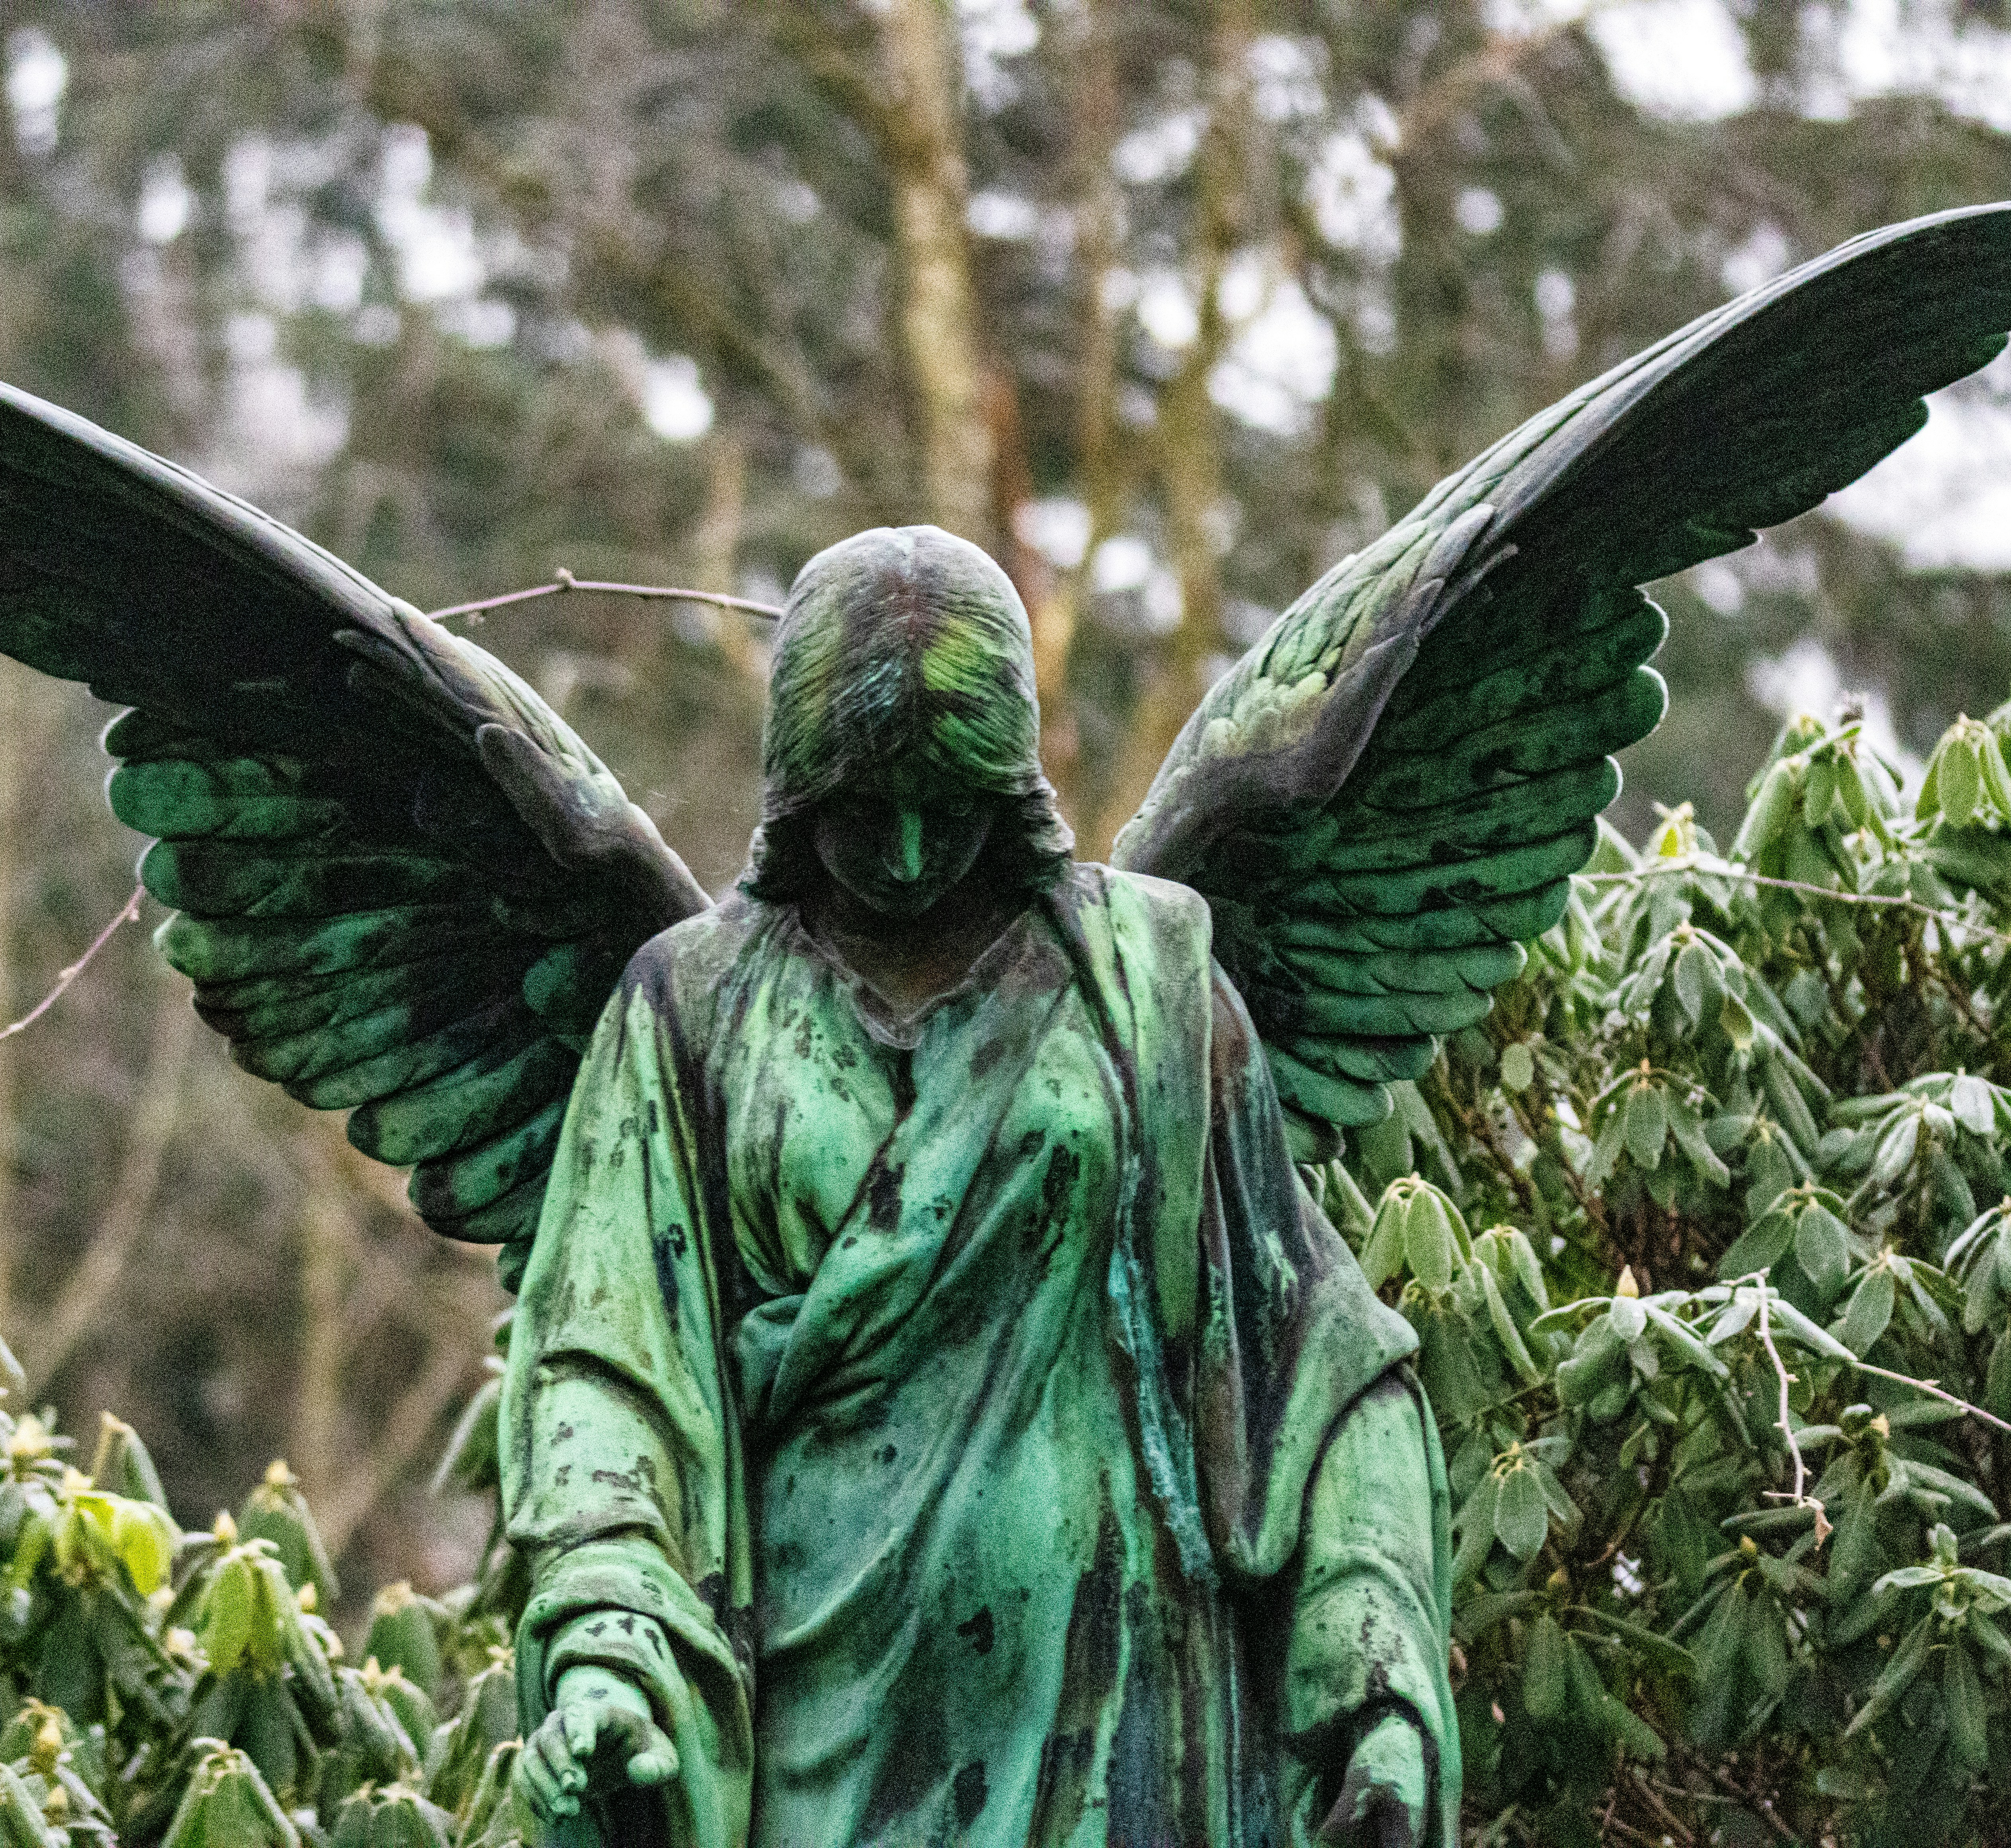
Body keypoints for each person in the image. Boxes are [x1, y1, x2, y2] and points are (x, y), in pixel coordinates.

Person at [500, 526, 1459, 1848]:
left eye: (946, 806)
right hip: (809, 1714)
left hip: (1127, 1700)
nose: (903, 854)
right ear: (795, 793)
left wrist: (1372, 1669)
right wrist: (610, 1641)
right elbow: (609, 1365)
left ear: (1012, 787)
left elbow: (1312, 1359)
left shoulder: (1153, 978)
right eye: (859, 807)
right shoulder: (689, 1007)